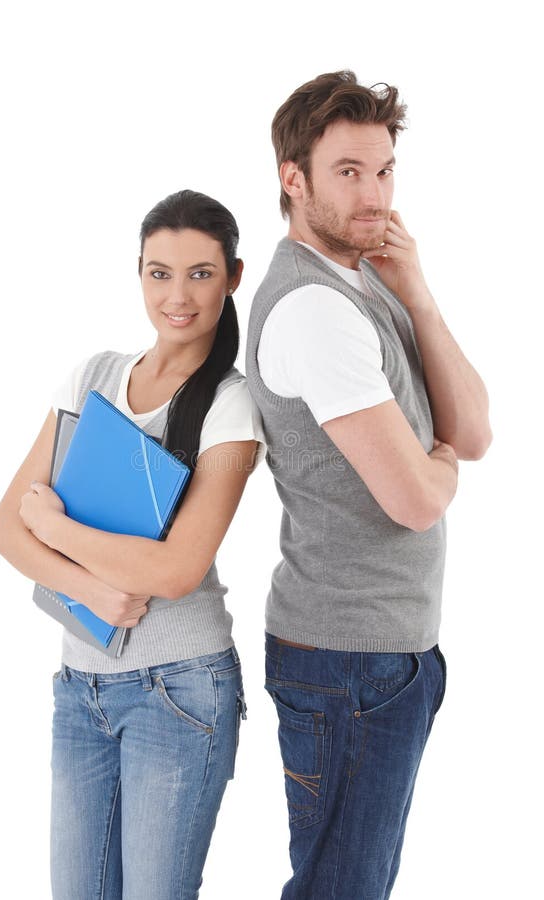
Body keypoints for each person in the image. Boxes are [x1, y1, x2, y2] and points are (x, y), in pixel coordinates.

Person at [245, 70, 492, 899]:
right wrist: (442, 460)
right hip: (347, 661)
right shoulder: (314, 309)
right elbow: (419, 496)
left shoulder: (367, 284)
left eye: (384, 170)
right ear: (295, 178)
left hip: (383, 656)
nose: (374, 193)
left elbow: (477, 430)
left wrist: (416, 291)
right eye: (349, 172)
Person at [0, 189, 265, 900]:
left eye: (201, 274)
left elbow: (176, 572)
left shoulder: (230, 405)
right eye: (159, 273)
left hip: (179, 691)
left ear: (233, 277)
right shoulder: (94, 377)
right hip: (79, 690)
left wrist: (51, 527)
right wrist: (88, 584)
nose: (178, 296)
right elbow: (1, 527)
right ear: (138, 273)